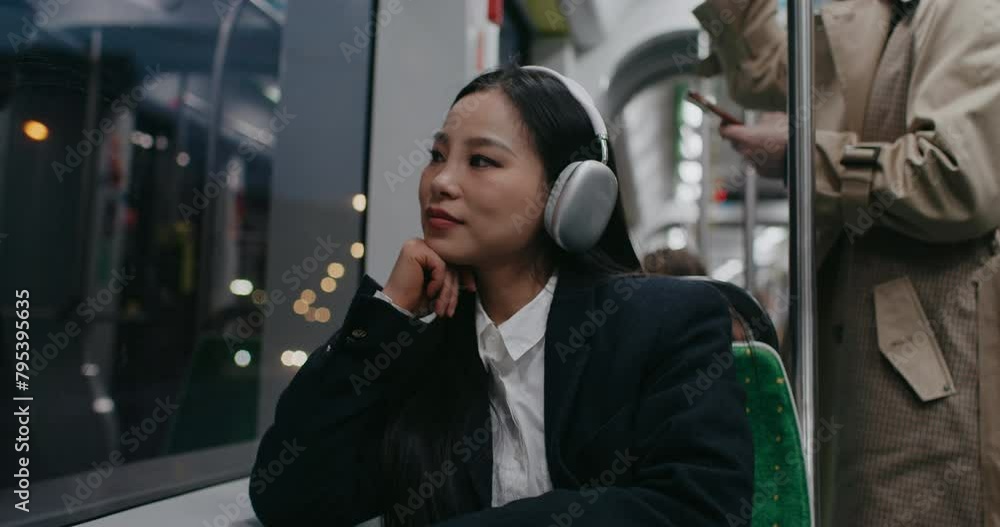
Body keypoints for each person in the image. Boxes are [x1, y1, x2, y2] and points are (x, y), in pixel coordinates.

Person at [248, 65, 753, 526]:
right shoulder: (419, 353)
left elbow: (699, 508)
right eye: (437, 156)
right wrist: (386, 315)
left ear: (571, 191)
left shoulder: (664, 324)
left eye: (481, 161)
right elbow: (289, 499)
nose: (441, 182)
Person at [693, 0, 1000, 525]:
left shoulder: (967, 11)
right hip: (868, 360)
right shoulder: (882, 16)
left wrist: (804, 156)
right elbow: (765, 72)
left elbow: (955, 177)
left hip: (932, 370)